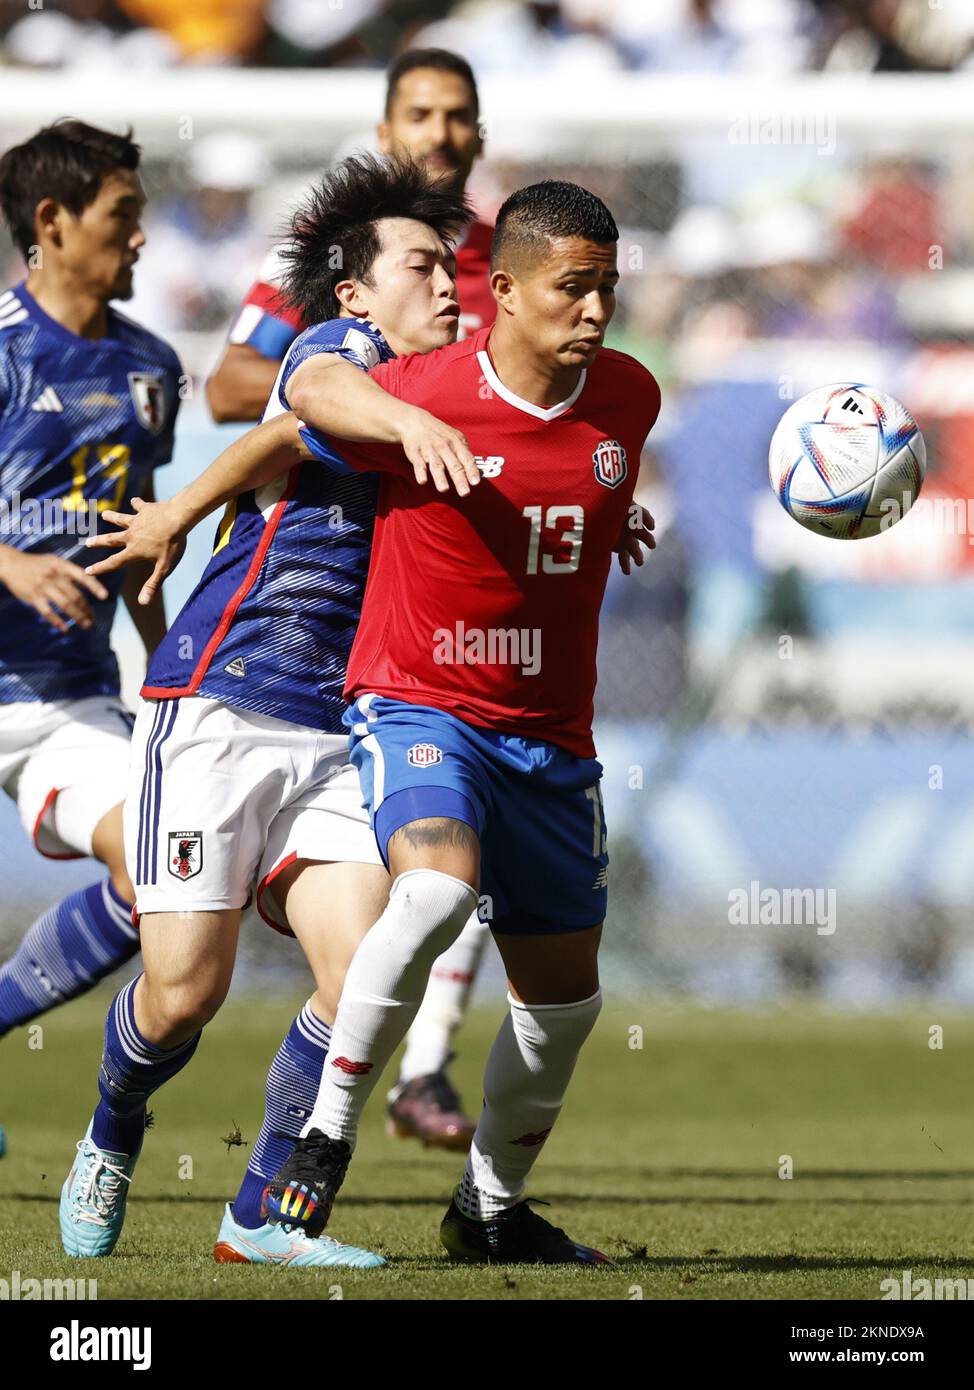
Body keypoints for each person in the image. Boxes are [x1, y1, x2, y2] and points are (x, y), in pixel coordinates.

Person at [58, 155, 477, 1269]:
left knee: (367, 977)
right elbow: (304, 410)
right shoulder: (340, 354)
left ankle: (260, 1212)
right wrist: (187, 512)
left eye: (450, 268)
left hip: (343, 734)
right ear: (354, 291)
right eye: (421, 266)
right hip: (223, 710)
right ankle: (112, 1130)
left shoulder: (454, 392)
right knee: (185, 990)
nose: (447, 286)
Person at [247, 179, 663, 1263]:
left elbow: (569, 485)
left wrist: (603, 523)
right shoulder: (419, 387)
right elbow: (307, 380)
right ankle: (322, 1141)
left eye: (606, 289)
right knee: (434, 886)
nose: (593, 310)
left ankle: (487, 1209)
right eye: (572, 288)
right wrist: (402, 417)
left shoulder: (627, 396)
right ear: (506, 290)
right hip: (419, 698)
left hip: (551, 736)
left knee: (563, 1004)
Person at [206, 47, 497, 1151]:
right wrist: (384, 394)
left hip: (446, 572)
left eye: (457, 115)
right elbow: (241, 383)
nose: (439, 131)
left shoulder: (493, 263)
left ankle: (418, 1067)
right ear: (384, 125)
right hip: (316, 581)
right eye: (418, 112)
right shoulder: (355, 266)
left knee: (460, 834)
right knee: (178, 946)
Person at [0, 121, 181, 1159]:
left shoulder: (150, 368)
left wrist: (169, 661)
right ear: (52, 222)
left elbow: (142, 526)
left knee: (159, 874)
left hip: (64, 698)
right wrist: (11, 562)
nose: (143, 239)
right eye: (124, 217)